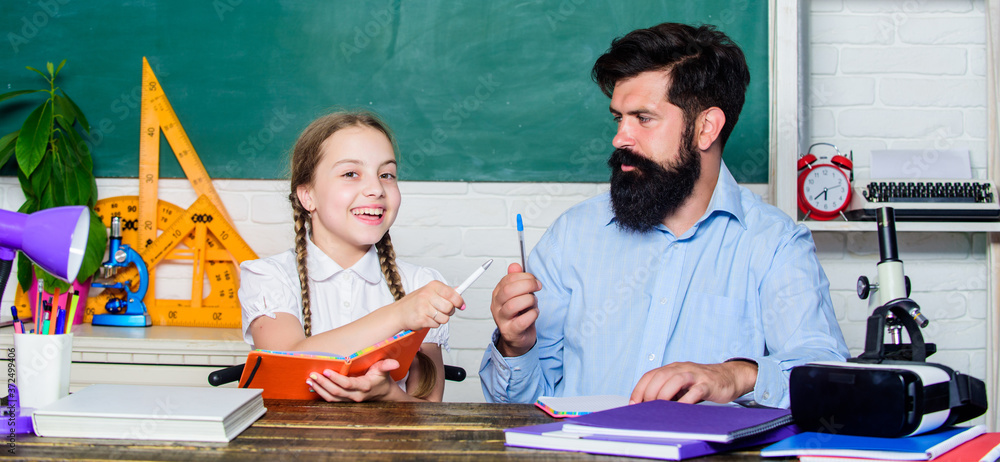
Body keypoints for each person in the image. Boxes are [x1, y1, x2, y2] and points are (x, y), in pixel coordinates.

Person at [480, 23, 849, 409]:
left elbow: (828, 381)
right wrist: (516, 346)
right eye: (618, 118)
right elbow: (514, 408)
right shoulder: (572, 236)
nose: (620, 138)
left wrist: (735, 374)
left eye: (643, 118)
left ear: (706, 128)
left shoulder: (774, 244)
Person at [240, 111, 464, 402]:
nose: (375, 189)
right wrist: (399, 315)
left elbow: (430, 415)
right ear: (307, 195)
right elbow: (287, 364)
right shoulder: (269, 277)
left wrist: (388, 395)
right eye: (350, 174)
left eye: (386, 175)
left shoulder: (421, 283)